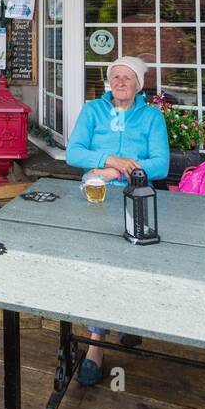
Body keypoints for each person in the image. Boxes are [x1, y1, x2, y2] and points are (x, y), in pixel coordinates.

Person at [65, 55, 170, 387]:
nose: (120, 82)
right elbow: (73, 153)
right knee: (98, 263)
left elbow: (161, 165)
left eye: (128, 77)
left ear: (139, 85)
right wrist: (109, 160)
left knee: (134, 262)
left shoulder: (152, 117)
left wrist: (119, 171)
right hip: (95, 194)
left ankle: (127, 318)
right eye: (115, 77)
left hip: (136, 195)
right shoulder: (93, 111)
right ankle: (96, 345)